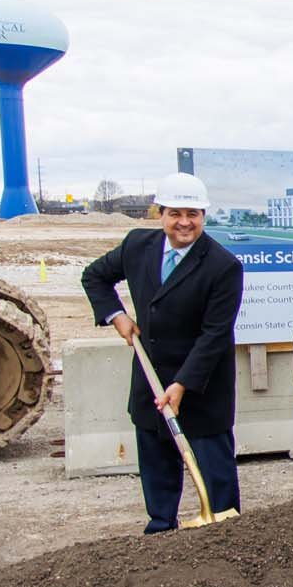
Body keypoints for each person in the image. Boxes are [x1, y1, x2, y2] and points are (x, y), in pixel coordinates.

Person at [81, 172, 244, 533]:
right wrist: (116, 314)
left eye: (193, 214)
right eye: (175, 213)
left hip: (201, 384)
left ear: (204, 215)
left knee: (212, 464)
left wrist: (183, 384)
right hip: (151, 375)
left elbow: (215, 334)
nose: (184, 222)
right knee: (156, 457)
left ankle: (225, 531)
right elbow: (94, 276)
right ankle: (160, 527)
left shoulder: (223, 265)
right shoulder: (138, 246)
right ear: (161, 214)